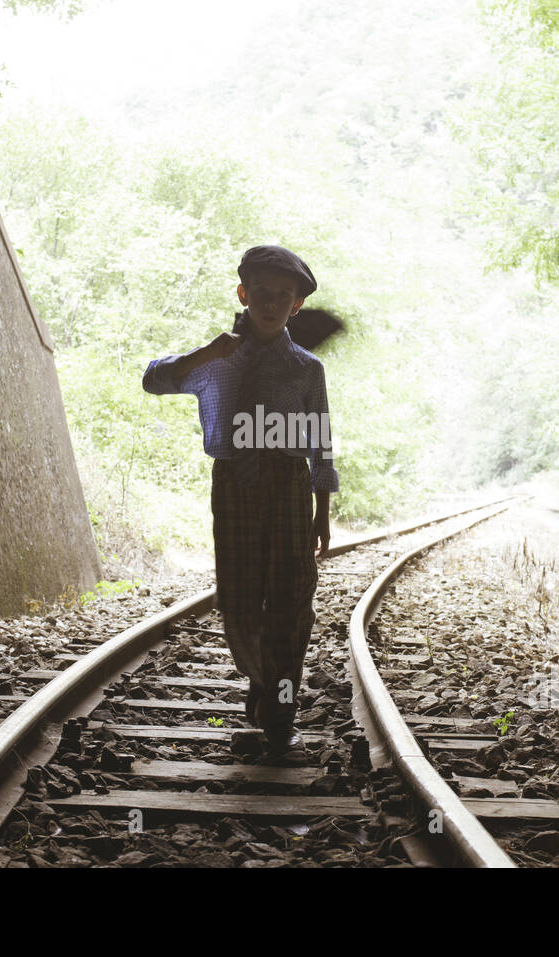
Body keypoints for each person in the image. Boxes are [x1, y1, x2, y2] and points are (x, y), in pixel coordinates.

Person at [142, 245, 338, 762]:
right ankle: (262, 685)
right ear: (243, 294)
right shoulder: (216, 362)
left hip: (290, 487)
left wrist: (322, 513)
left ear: (296, 305)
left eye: (283, 297)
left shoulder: (305, 369)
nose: (270, 304)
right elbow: (152, 380)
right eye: (262, 294)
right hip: (234, 487)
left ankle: (279, 719)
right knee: (241, 605)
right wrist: (205, 354)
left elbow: (320, 441)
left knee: (292, 605)